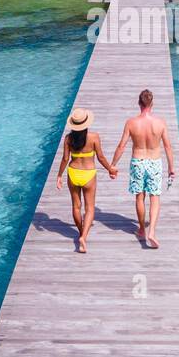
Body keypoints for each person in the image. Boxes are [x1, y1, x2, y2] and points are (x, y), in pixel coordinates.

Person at [110, 89, 174, 249]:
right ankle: (151, 231)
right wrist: (171, 168)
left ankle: (141, 229)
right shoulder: (160, 123)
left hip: (138, 161)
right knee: (155, 197)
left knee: (140, 197)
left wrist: (113, 165)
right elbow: (167, 146)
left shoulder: (131, 123)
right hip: (154, 162)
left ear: (139, 103)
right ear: (152, 104)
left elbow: (121, 145)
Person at [55, 108, 116, 253]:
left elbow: (65, 159)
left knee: (76, 206)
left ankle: (81, 232)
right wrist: (110, 169)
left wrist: (59, 176)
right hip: (89, 174)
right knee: (90, 208)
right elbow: (100, 157)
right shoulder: (94, 137)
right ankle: (84, 236)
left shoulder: (68, 139)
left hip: (73, 173)